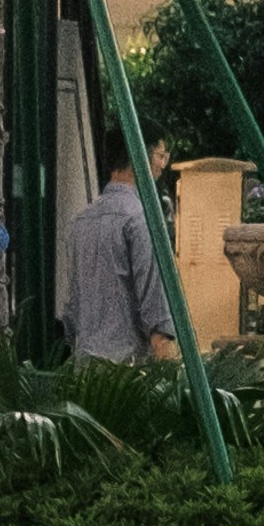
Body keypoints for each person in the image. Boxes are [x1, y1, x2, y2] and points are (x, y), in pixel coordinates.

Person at [64, 138, 176, 366]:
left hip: (84, 367)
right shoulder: (141, 218)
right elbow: (155, 306)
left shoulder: (80, 221)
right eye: (161, 155)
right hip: (128, 371)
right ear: (140, 155)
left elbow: (73, 305)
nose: (163, 165)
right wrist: (167, 360)